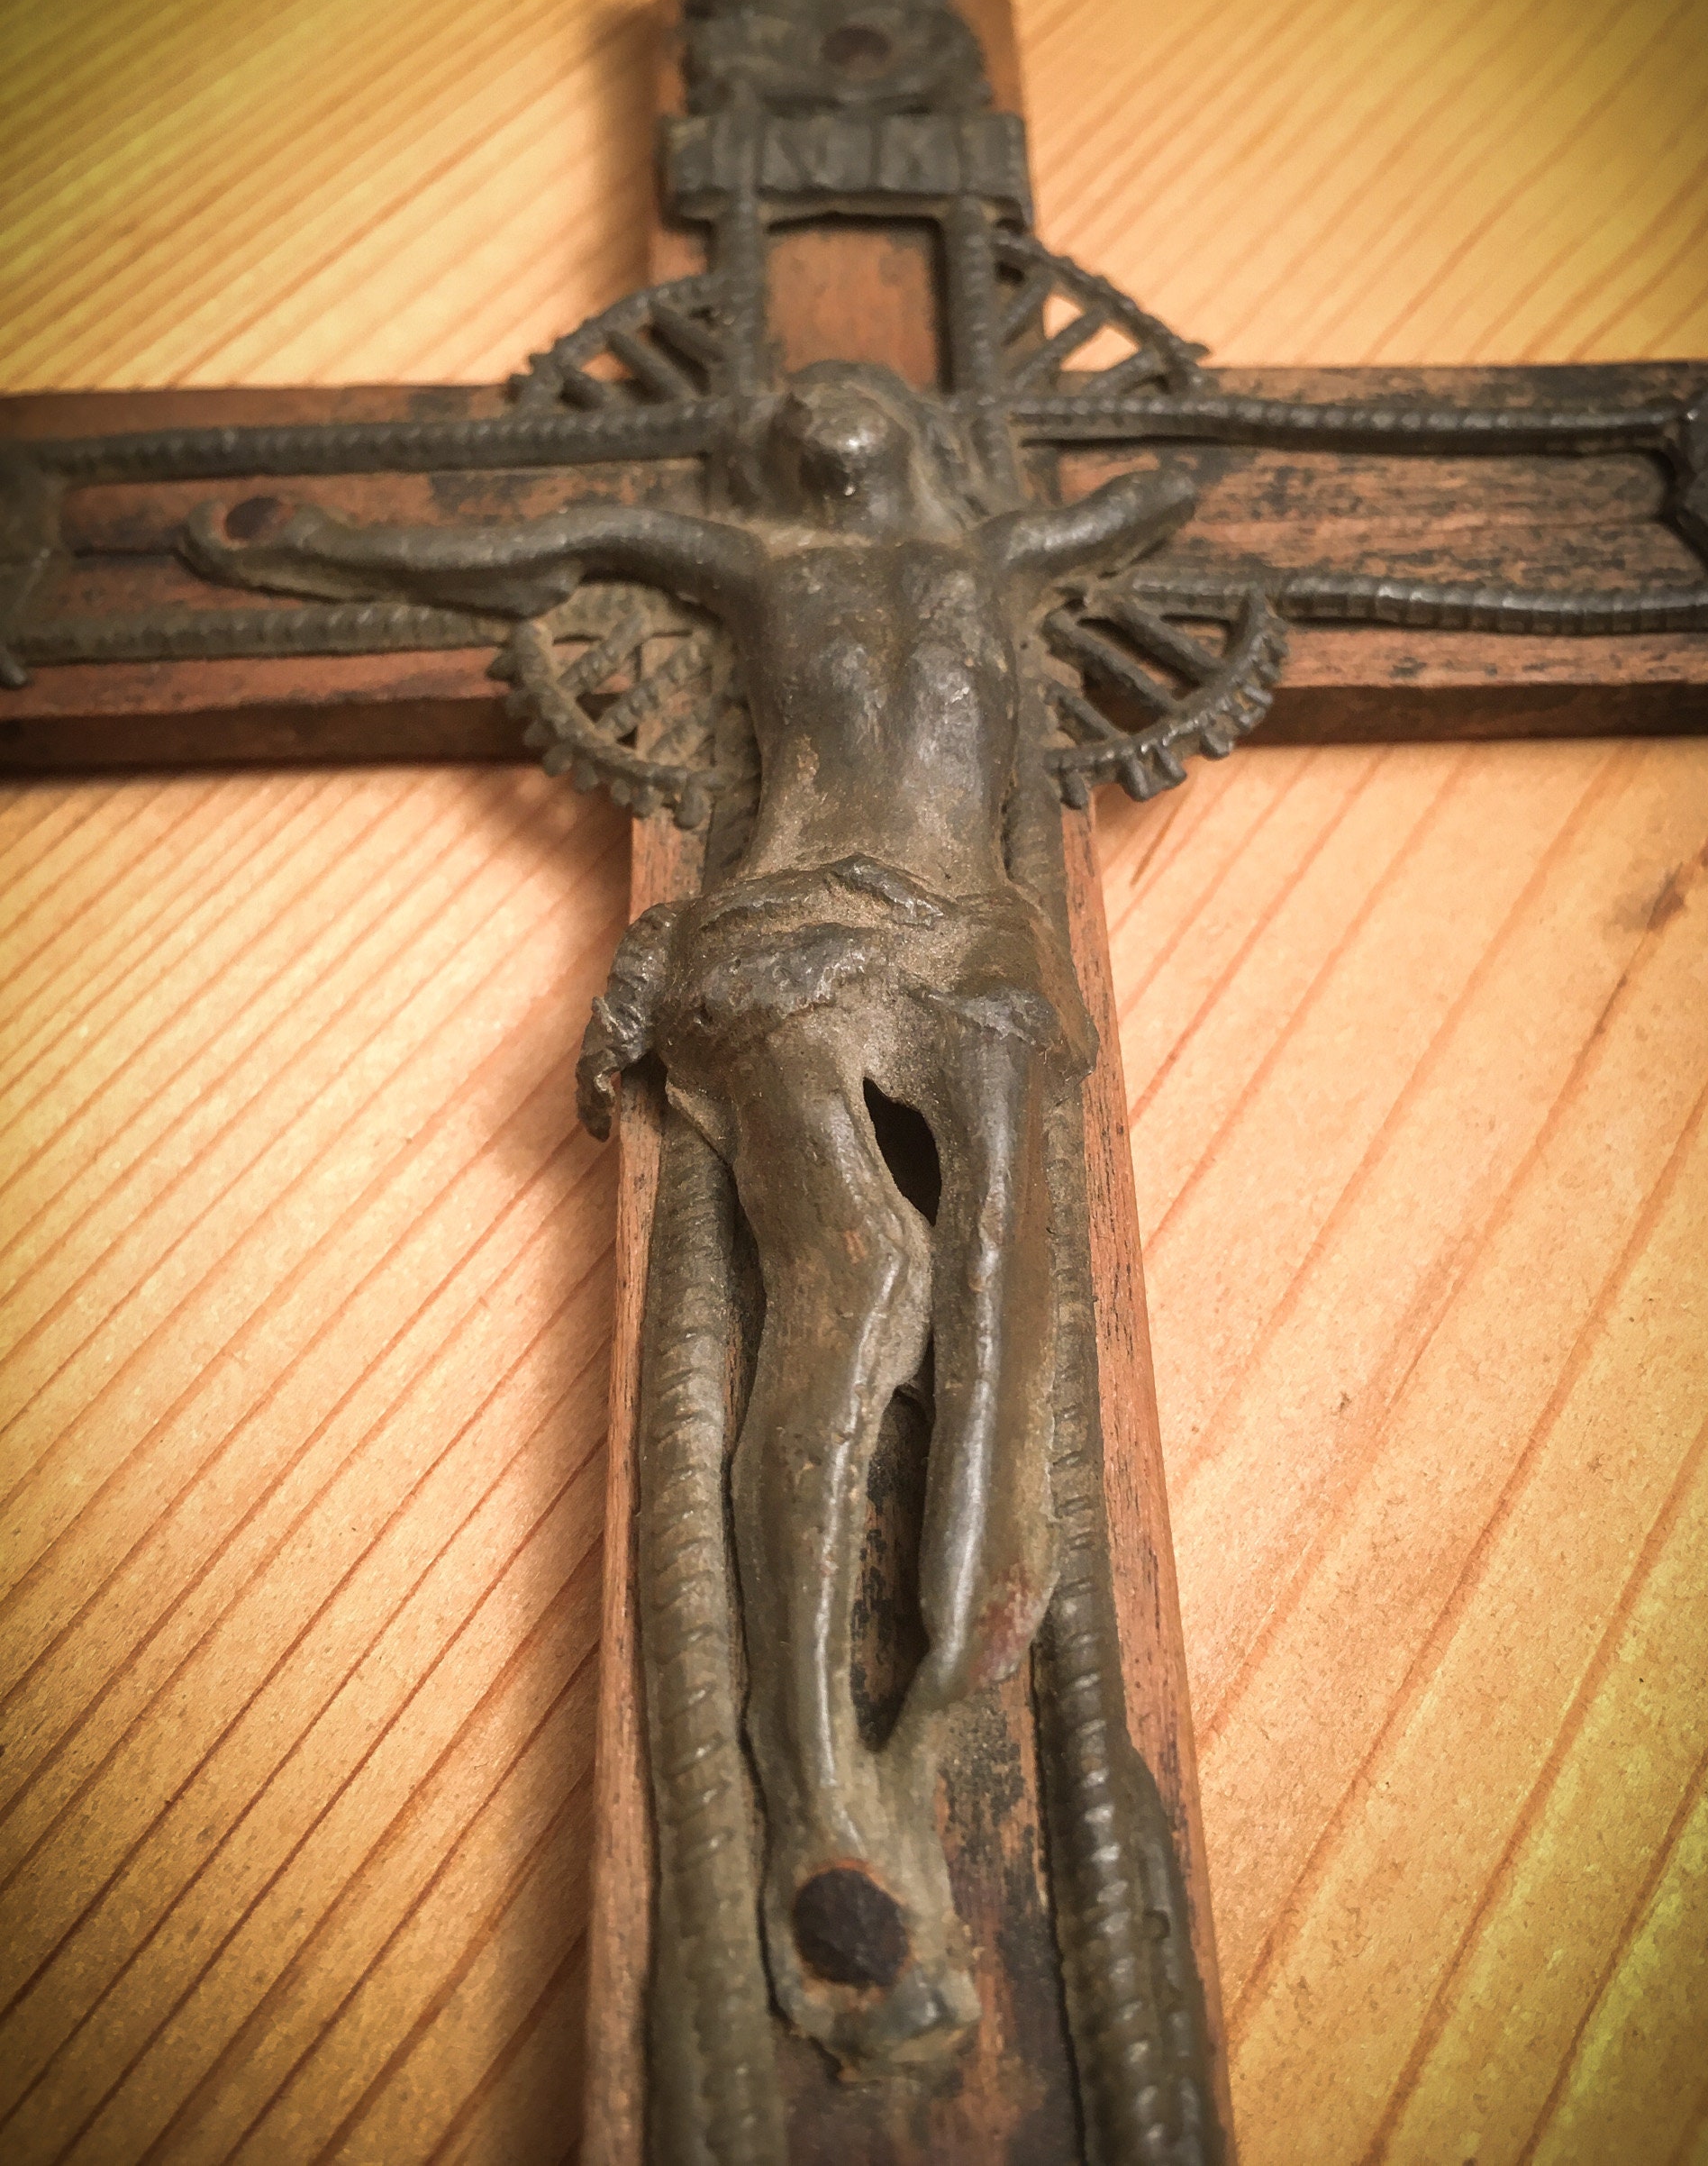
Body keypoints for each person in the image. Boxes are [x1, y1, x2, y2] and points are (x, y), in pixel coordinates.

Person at [190, 362, 1195, 2064]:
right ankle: (814, 1775)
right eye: (802, 394)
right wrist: (312, 535)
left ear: (921, 431)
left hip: (978, 945)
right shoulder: (747, 558)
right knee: (864, 1277)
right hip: (789, 921)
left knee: (1009, 1319)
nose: (831, 395)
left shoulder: (1008, 552)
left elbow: (1170, 504)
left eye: (866, 387)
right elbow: (554, 535)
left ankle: (937, 1713)